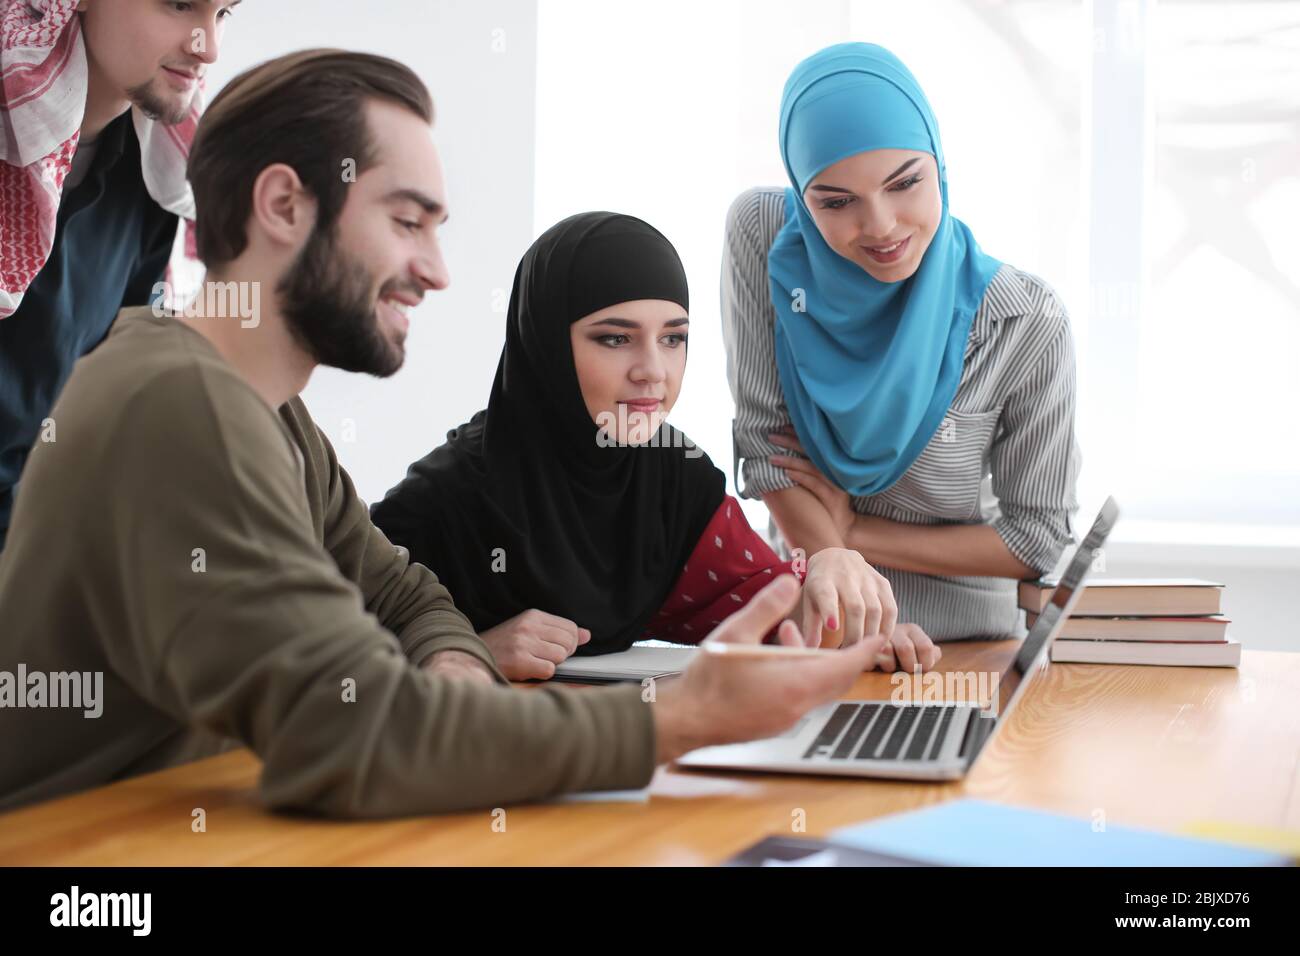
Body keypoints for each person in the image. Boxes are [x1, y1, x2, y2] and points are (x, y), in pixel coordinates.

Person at [0, 49, 886, 817]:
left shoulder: (273, 420)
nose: (436, 271)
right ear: (283, 206)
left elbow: (406, 599)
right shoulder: (178, 405)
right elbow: (363, 730)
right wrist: (683, 720)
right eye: (407, 221)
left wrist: (459, 688)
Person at [372, 211, 941, 680]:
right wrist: (466, 652)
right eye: (615, 339)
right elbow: (313, 658)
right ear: (542, 343)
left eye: (674, 339)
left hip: (639, 769)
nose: (653, 372)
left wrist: (845, 611)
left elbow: (762, 610)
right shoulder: (444, 498)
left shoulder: (675, 474)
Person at [722, 42, 1081, 640]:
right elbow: (765, 448)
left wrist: (855, 536)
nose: (882, 226)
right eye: (836, 202)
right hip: (814, 635)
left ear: (939, 165)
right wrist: (834, 564)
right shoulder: (765, 236)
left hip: (961, 646)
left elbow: (1035, 538)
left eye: (905, 183)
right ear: (803, 201)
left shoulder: (1025, 321)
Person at [0, 0, 237, 552]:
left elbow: (104, 411)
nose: (209, 47)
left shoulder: (151, 175)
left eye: (224, 13)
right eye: (180, 4)